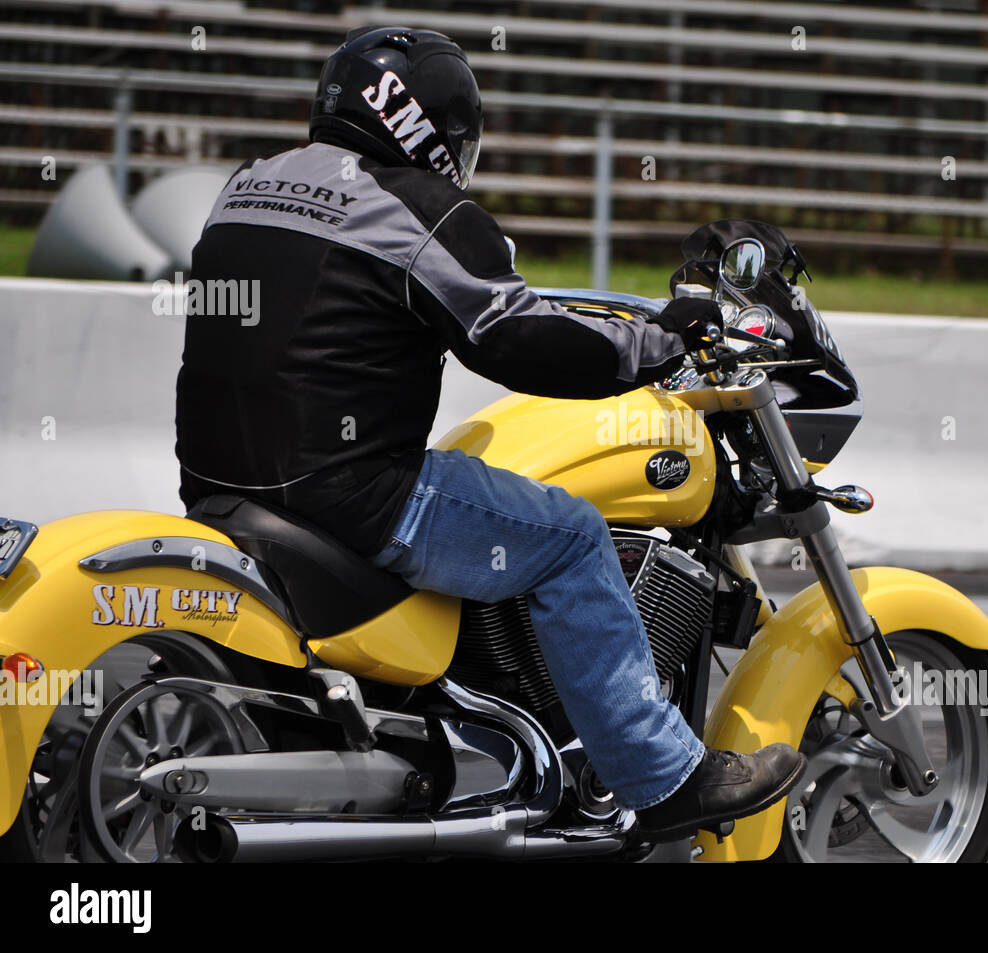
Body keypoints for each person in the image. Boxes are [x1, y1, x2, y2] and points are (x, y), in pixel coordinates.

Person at [174, 25, 804, 842]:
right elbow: (518, 340)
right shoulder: (419, 209)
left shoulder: (250, 182)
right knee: (574, 534)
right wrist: (664, 341)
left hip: (221, 484)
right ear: (431, 127)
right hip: (352, 496)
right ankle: (663, 776)